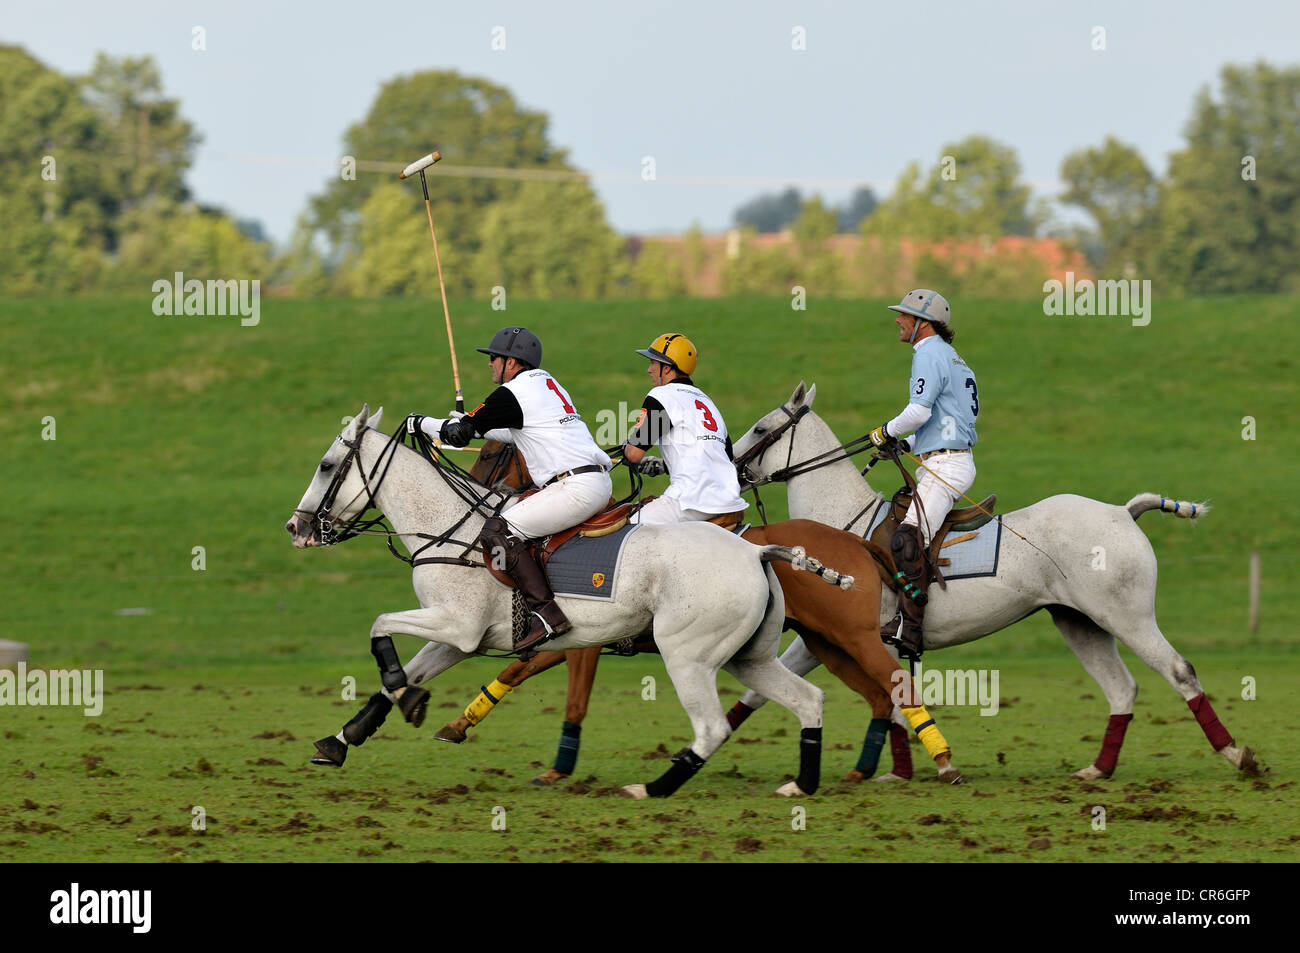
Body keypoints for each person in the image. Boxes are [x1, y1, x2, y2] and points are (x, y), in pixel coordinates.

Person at [409, 327, 612, 653]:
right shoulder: (548, 384)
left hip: (574, 488)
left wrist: (419, 423)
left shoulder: (512, 393)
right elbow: (505, 433)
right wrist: (464, 424)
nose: (489, 364)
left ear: (512, 362)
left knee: (496, 530)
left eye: (494, 358)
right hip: (594, 481)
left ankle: (547, 613)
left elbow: (459, 433)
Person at [867, 290, 979, 657]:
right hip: (943, 457)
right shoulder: (954, 358)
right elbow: (946, 420)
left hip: (947, 465)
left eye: (904, 316)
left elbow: (918, 412)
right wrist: (911, 445)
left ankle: (909, 627)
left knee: (906, 542)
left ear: (922, 322)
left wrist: (884, 432)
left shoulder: (929, 353)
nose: (897, 320)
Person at [621, 332, 748, 528]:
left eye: (653, 364)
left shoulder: (662, 395)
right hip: (730, 501)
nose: (649, 370)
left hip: (691, 501)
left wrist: (627, 448)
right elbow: (722, 455)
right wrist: (663, 465)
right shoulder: (706, 401)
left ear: (668, 368)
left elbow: (634, 454)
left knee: (629, 530)